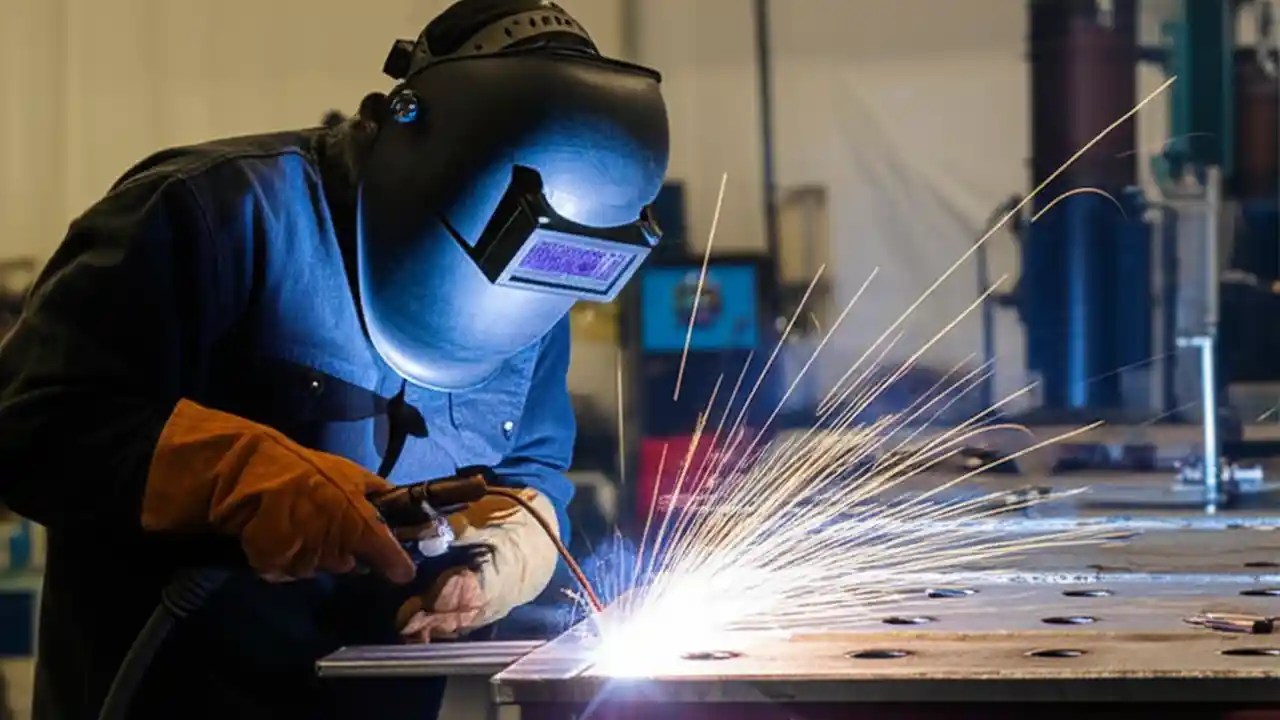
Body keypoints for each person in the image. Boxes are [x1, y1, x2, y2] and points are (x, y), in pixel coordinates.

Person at [0, 0, 669, 717]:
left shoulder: (537, 284)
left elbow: (530, 472)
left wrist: (511, 550)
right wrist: (233, 473)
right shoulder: (213, 215)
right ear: (410, 135)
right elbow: (30, 423)